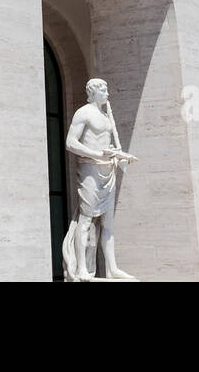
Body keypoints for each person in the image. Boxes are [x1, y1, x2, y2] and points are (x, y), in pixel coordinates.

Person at [62, 78, 137, 281]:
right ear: (93, 92)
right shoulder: (84, 113)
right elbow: (70, 143)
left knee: (108, 224)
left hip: (108, 171)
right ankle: (81, 269)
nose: (107, 94)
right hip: (90, 170)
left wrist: (121, 156)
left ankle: (112, 268)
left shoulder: (106, 116)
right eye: (103, 90)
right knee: (86, 220)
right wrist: (96, 155)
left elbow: (108, 146)